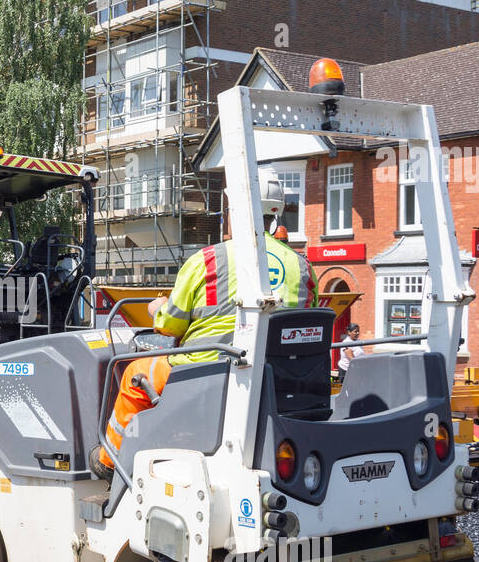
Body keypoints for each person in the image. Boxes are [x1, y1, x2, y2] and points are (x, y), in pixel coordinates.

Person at [94, 168, 317, 477]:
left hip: (205, 374)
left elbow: (169, 327)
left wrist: (159, 307)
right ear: (275, 215)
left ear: (232, 211)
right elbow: (310, 324)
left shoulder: (208, 260)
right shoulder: (301, 266)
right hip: (281, 379)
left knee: (135, 374)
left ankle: (109, 462)